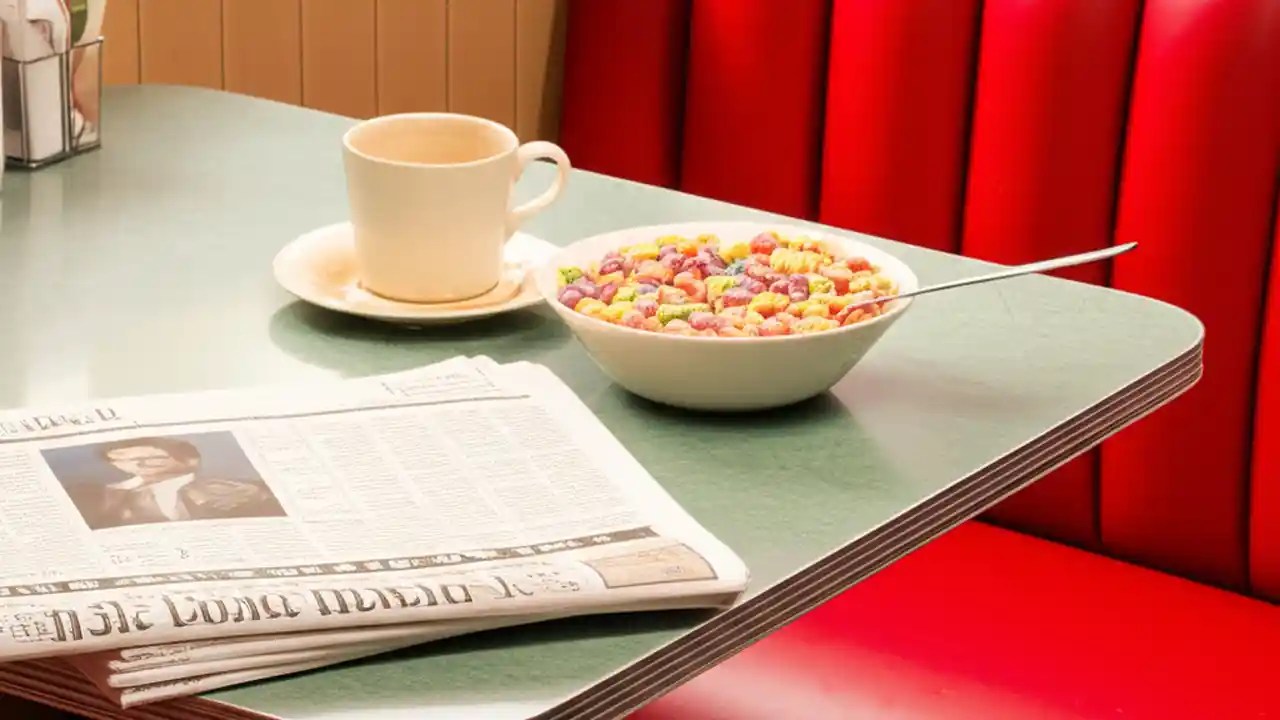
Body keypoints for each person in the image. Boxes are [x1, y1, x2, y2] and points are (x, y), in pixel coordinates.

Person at [63, 437, 285, 530]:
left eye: (154, 458)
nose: (141, 465)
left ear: (189, 462)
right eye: (125, 461)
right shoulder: (101, 491)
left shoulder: (209, 490)